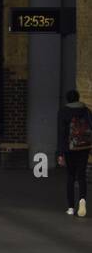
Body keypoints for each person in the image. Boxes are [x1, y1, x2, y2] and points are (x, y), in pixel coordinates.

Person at [56, 89, 92, 217]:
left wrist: (60, 153)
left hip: (69, 148)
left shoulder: (64, 112)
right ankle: (82, 200)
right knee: (81, 175)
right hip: (84, 147)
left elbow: (61, 133)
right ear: (78, 98)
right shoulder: (86, 110)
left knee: (71, 176)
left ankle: (71, 207)